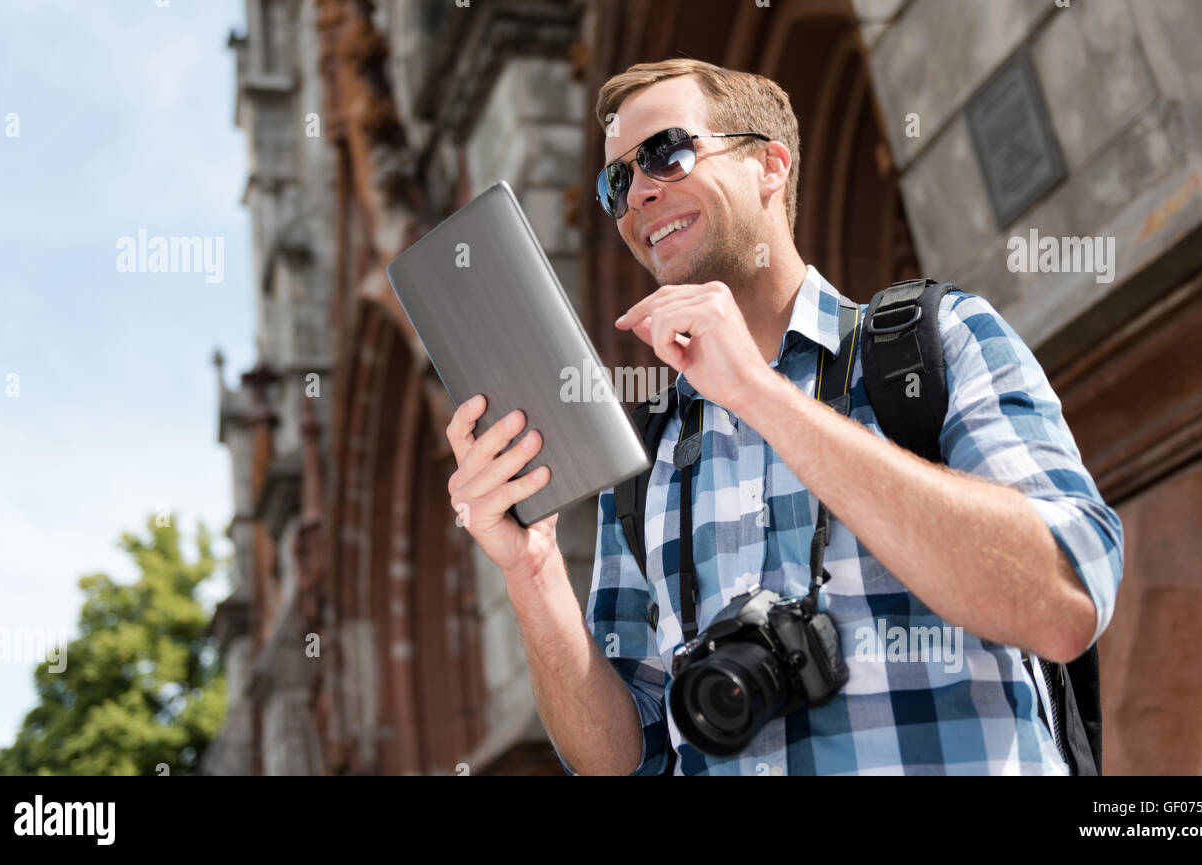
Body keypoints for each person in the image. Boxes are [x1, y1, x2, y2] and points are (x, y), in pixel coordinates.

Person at [443, 58, 1123, 775]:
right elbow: (626, 756)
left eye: (666, 152)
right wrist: (533, 570)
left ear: (770, 165)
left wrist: (758, 393)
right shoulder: (645, 453)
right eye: (617, 182)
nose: (639, 192)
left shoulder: (938, 342)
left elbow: (1064, 598)